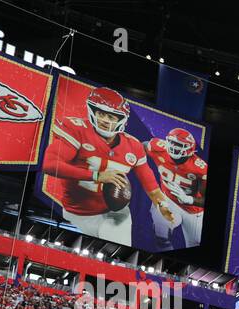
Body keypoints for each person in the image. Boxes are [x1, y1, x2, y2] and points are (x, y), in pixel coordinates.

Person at [40, 86, 177, 244]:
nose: (106, 120)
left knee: (116, 242)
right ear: (92, 111)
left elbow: (151, 186)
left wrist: (163, 205)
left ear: (121, 120)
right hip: (74, 212)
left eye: (112, 117)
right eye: (101, 113)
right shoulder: (77, 130)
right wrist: (96, 176)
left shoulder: (134, 146)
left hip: (114, 212)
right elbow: (50, 165)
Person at [144, 127, 206, 249]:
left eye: (178, 145)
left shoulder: (200, 168)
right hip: (168, 199)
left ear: (190, 150)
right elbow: (140, 147)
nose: (173, 147)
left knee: (194, 245)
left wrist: (190, 199)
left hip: (193, 211)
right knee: (161, 236)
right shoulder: (159, 147)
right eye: (172, 142)